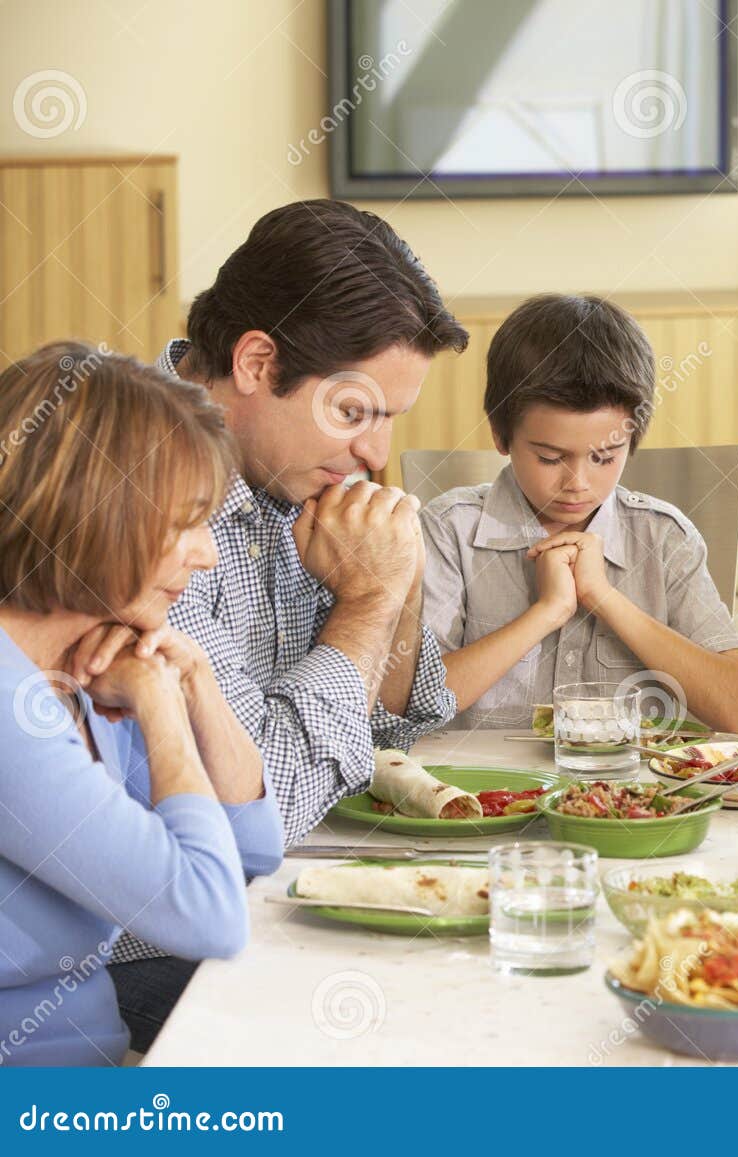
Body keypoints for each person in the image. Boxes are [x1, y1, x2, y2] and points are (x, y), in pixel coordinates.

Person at [100, 198, 469, 1048]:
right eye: (355, 412)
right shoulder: (140, 493)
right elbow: (270, 804)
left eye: (389, 422)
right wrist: (367, 606)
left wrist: (397, 580)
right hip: (142, 948)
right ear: (258, 362)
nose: (377, 454)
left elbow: (380, 723)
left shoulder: (284, 471)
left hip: (264, 890)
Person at [0, 342, 282, 1066]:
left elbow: (254, 851)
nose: (208, 554)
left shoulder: (83, 666)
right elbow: (210, 912)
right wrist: (158, 704)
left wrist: (196, 684)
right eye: (186, 523)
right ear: (95, 511)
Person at [421, 294, 738, 733]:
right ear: (501, 435)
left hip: (630, 794)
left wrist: (603, 597)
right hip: (488, 796)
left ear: (633, 438)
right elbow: (415, 705)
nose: (577, 483)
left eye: (604, 457)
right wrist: (548, 611)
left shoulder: (663, 537)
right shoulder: (449, 531)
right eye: (548, 457)